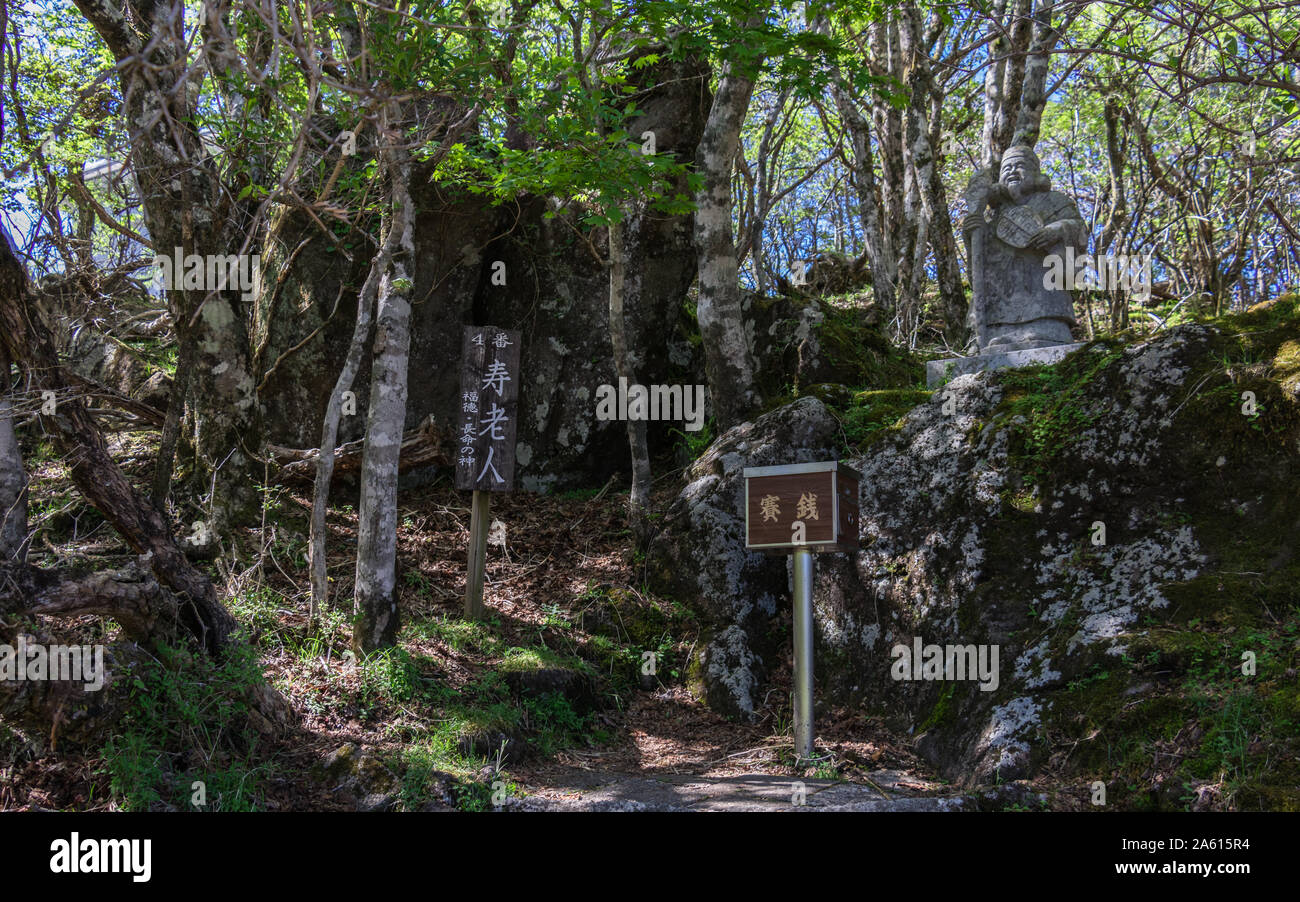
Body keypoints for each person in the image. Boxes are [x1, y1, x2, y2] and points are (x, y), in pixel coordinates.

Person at [961, 144, 1088, 353]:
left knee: (1045, 287)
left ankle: (1046, 329)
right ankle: (992, 335)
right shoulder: (995, 214)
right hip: (1004, 286)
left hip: (1042, 281)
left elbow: (1080, 230)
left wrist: (1056, 231)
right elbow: (980, 261)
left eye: (1019, 166)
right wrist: (973, 233)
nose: (1012, 172)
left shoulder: (1055, 201)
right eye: (1006, 169)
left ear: (1036, 173)